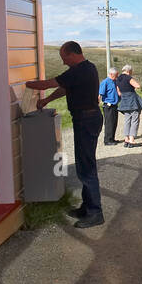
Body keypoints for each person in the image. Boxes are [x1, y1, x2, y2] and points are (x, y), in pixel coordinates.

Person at [25, 41, 104, 228]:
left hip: (86, 119)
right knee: (85, 165)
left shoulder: (78, 70)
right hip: (87, 118)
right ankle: (87, 207)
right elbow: (64, 88)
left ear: (72, 54)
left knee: (86, 168)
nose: (63, 62)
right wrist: (46, 101)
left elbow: (49, 83)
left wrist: (26, 84)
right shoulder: (87, 68)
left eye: (64, 58)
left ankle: (95, 212)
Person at [115, 64, 142, 147]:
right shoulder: (128, 77)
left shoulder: (118, 79)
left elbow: (119, 92)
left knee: (127, 120)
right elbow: (137, 86)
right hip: (132, 100)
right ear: (128, 71)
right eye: (131, 71)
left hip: (124, 100)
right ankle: (132, 140)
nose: (131, 73)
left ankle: (126, 139)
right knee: (135, 119)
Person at [99, 67, 120, 145]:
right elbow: (100, 94)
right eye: (116, 75)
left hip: (115, 105)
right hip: (108, 106)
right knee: (109, 123)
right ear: (111, 74)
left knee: (114, 122)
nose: (117, 76)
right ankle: (107, 140)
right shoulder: (105, 82)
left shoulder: (115, 81)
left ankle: (112, 138)